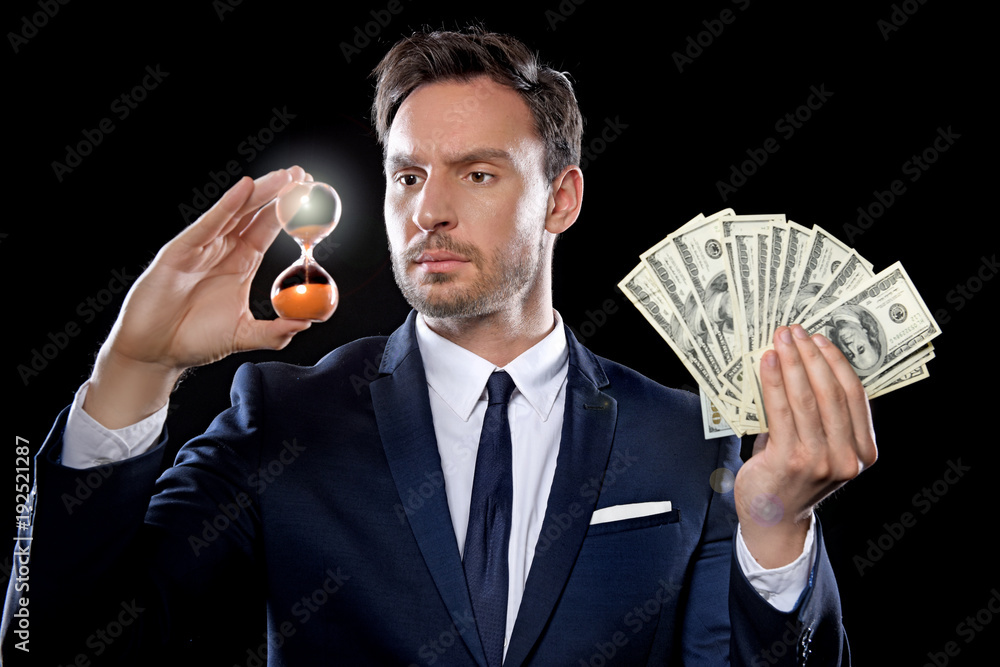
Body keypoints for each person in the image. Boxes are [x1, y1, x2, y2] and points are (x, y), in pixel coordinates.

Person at [1, 28, 876, 666]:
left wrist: (776, 531)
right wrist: (133, 372)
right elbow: (48, 646)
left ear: (561, 198)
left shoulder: (688, 439)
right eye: (409, 176)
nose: (429, 211)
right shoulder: (281, 419)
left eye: (479, 173)